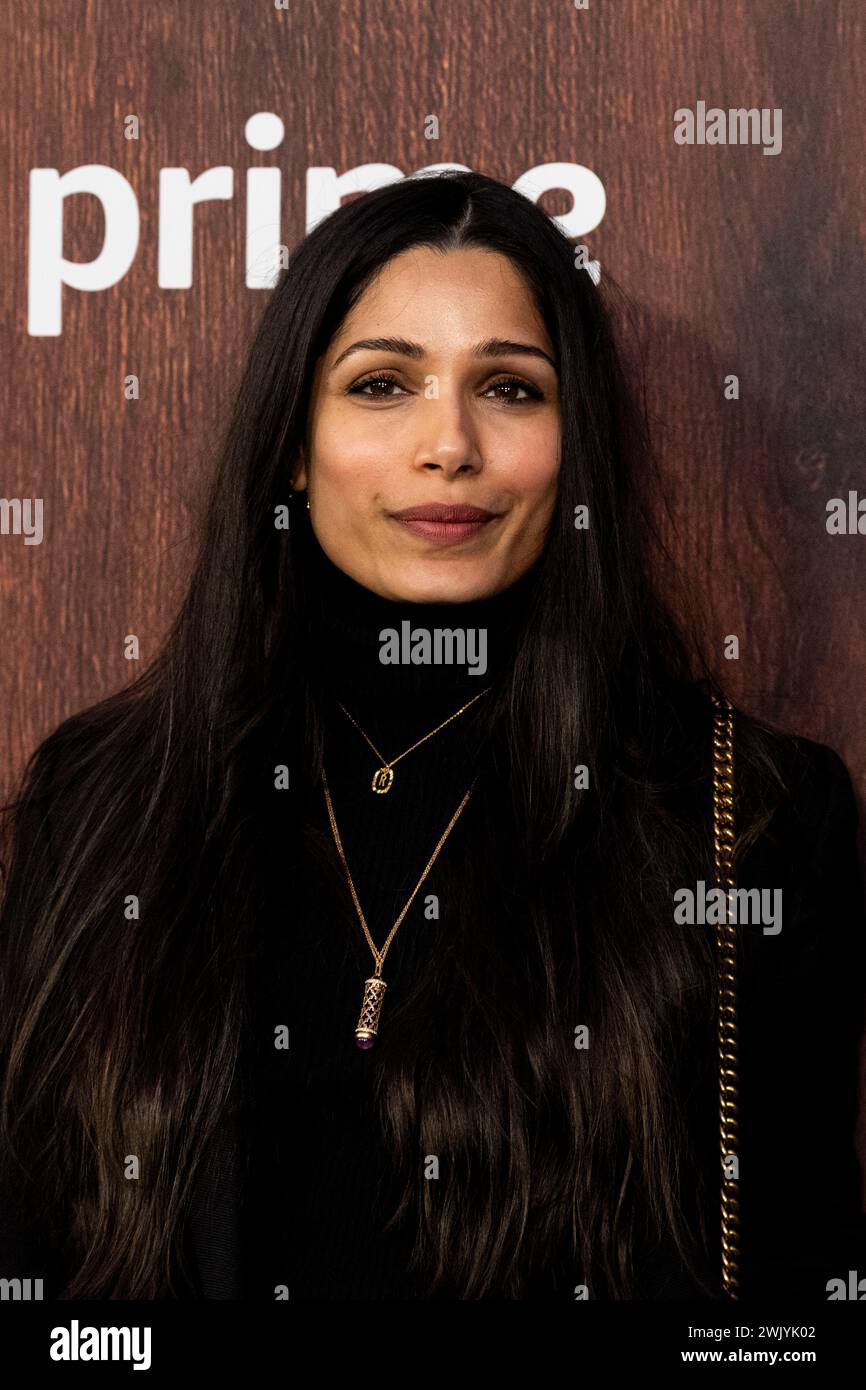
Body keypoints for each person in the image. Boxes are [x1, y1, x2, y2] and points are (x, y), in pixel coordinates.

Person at [1, 171, 863, 1301]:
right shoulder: (103, 797)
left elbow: (795, 1298)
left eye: (508, 388)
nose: (447, 443)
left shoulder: (748, 814)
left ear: (574, 449)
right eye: (380, 384)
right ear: (293, 446)